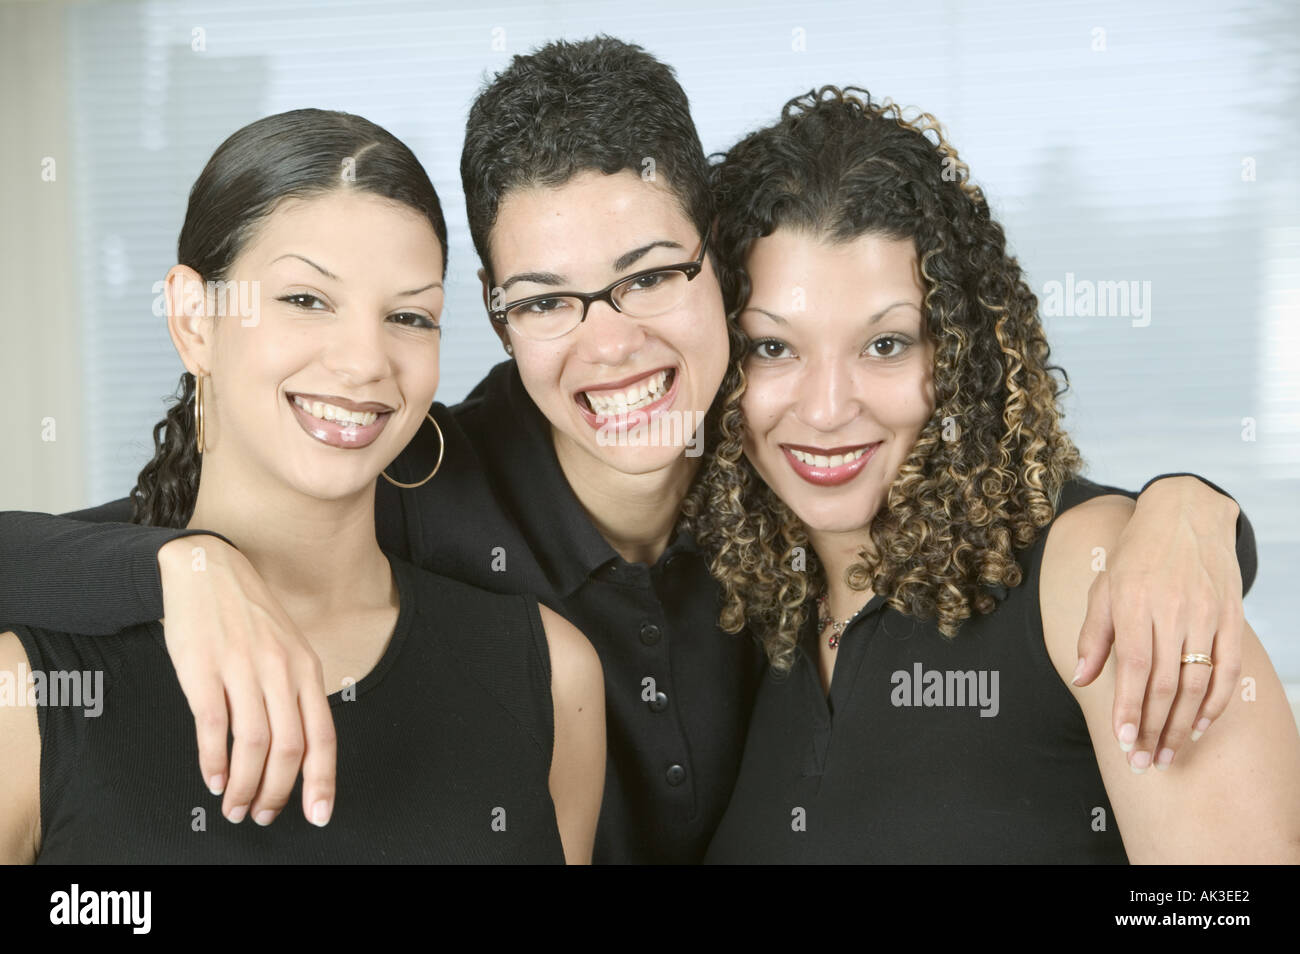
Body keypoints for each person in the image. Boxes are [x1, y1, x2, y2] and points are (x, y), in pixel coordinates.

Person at [0, 38, 1261, 864]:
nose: (608, 346)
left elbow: (988, 510)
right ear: (492, 315)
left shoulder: (779, 473)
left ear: (721, 266)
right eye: (545, 299)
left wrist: (1192, 512)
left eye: (650, 274)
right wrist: (179, 571)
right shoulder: (403, 475)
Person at [691, 87, 1300, 863]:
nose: (826, 406)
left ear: (962, 352)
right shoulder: (741, 611)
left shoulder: (1097, 574)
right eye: (773, 347)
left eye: (886, 345)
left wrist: (1195, 507)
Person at [0, 109, 605, 864]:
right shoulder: (29, 688)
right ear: (193, 319)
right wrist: (186, 565)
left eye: (410, 316)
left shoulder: (549, 676)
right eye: (306, 299)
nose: (364, 362)